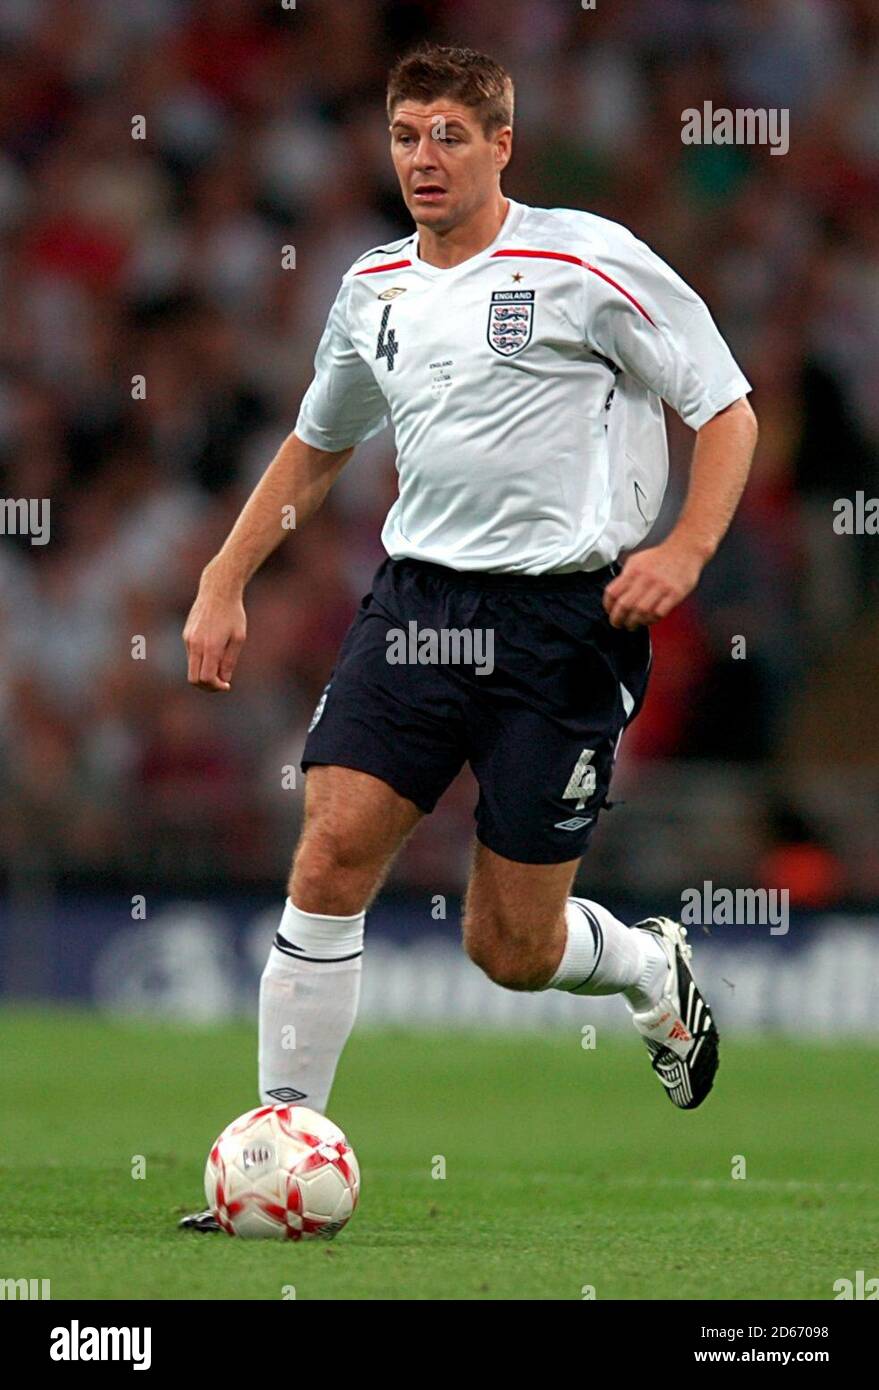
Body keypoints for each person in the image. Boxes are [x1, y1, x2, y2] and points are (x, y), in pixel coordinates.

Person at [180, 44, 757, 1230]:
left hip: (567, 623)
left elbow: (726, 405)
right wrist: (225, 575)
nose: (424, 159)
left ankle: (650, 965)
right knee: (331, 846)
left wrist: (687, 549)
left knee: (510, 946)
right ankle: (276, 1142)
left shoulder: (587, 260)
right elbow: (318, 444)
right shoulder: (375, 286)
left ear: (504, 143)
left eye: (451, 134)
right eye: (405, 135)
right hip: (420, 604)